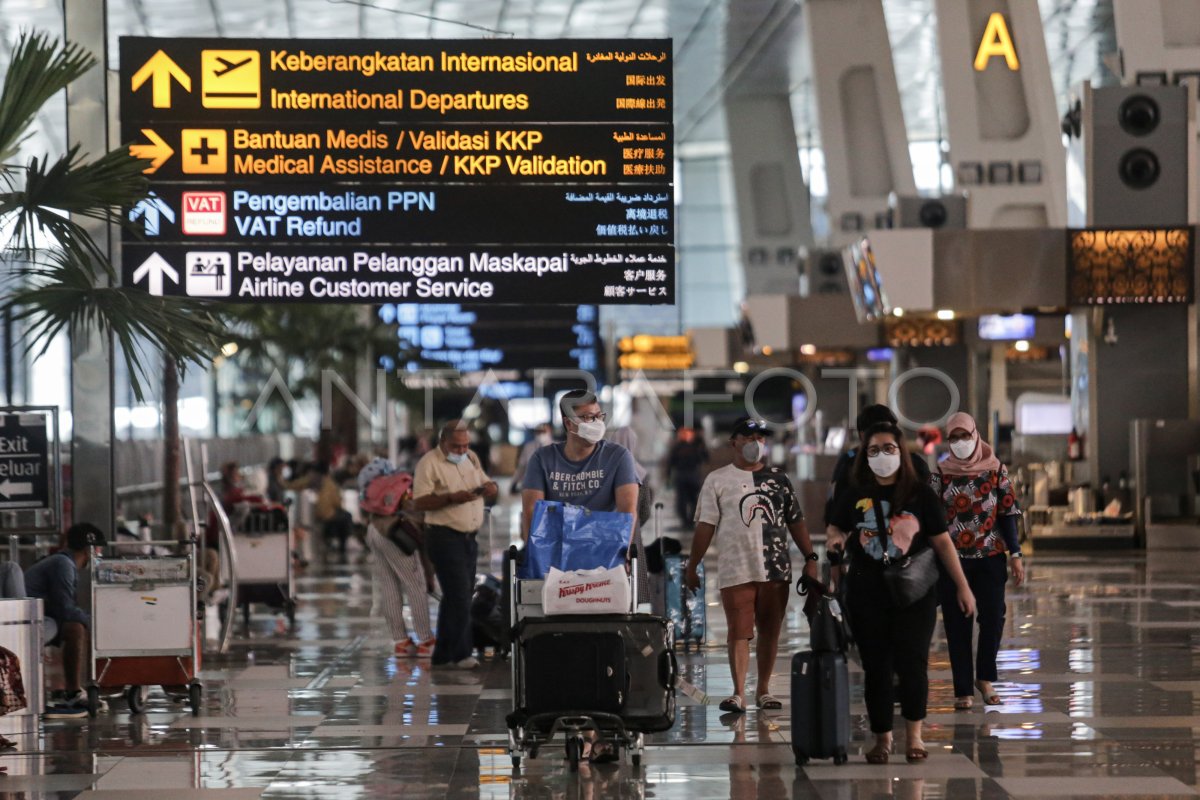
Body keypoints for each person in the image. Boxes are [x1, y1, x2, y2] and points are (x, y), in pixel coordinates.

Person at [826, 422, 976, 764]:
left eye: (889, 449)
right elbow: (837, 526)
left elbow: (941, 541)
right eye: (874, 450)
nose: (882, 456)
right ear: (865, 455)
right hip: (867, 592)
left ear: (902, 453)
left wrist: (962, 586)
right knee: (876, 667)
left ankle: (914, 736)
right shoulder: (854, 494)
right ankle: (883, 739)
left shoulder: (920, 494)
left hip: (914, 592)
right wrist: (835, 542)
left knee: (913, 664)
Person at [520, 389, 639, 764]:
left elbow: (626, 516)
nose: (597, 423)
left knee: (604, 644)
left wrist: (577, 536)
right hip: (554, 572)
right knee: (558, 645)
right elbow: (533, 519)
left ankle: (601, 728)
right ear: (569, 423)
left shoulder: (617, 457)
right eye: (588, 418)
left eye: (599, 415)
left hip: (604, 569)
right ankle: (570, 721)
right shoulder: (543, 459)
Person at [685, 418, 819, 714]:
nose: (755, 443)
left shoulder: (779, 478)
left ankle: (763, 690)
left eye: (760, 437)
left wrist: (811, 558)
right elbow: (705, 526)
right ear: (733, 442)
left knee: (770, 631)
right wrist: (692, 565)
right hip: (736, 569)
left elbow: (796, 521)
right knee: (738, 631)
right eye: (748, 437)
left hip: (776, 569)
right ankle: (737, 693)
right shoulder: (717, 480)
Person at [932, 412, 1025, 710]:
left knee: (994, 617)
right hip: (952, 560)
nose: (960, 443)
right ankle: (963, 689)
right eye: (954, 438)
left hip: (990, 555)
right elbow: (931, 517)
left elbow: (1008, 513)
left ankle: (984, 677)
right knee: (957, 624)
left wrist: (1016, 554)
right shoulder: (941, 472)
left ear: (976, 434)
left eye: (965, 436)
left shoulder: (996, 469)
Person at [413, 420, 499, 669]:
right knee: (460, 595)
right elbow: (419, 502)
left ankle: (442, 654)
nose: (462, 451)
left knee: (455, 596)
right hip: (443, 536)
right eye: (456, 446)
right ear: (443, 443)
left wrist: (489, 487)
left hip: (468, 538)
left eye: (465, 445)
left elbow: (484, 480)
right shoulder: (428, 464)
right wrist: (451, 498)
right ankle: (461, 653)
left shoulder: (471, 458)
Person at [358, 458, 437, 660]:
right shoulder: (424, 495)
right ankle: (426, 640)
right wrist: (429, 577)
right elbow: (424, 543)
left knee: (389, 585)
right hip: (394, 534)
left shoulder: (399, 482)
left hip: (375, 529)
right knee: (415, 585)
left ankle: (401, 642)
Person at [25, 523, 106, 718]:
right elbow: (65, 609)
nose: (100, 553)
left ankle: (73, 691)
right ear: (90, 549)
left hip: (37, 616)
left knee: (78, 626)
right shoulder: (63, 565)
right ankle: (73, 692)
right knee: (76, 628)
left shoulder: (62, 562)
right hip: (31, 620)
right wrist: (94, 621)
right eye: (99, 548)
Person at [824, 404, 930, 531]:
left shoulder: (914, 463)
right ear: (862, 435)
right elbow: (835, 508)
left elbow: (930, 508)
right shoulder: (849, 464)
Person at [666, 427, 708, 529]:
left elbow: (670, 464)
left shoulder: (677, 448)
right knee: (693, 500)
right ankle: (690, 522)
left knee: (682, 501)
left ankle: (686, 522)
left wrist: (668, 477)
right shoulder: (695, 448)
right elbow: (705, 458)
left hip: (682, 477)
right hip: (693, 477)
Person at [510, 424, 553, 494]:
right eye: (538, 432)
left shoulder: (557, 448)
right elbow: (521, 467)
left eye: (543, 432)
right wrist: (514, 483)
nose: (541, 434)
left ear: (549, 432)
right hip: (533, 487)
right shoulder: (528, 447)